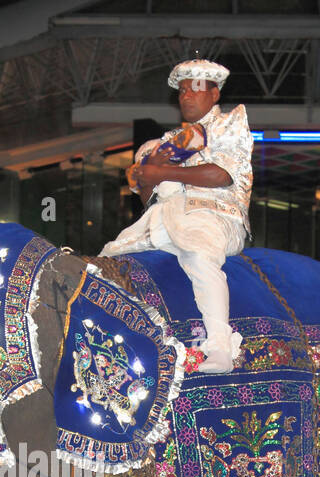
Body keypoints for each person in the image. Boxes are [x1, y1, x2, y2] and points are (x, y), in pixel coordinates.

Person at [100, 58, 252, 374]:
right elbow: (146, 196)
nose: (186, 96)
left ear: (214, 94)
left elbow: (221, 175)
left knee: (198, 255)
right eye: (182, 91)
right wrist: (146, 176)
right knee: (107, 259)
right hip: (163, 219)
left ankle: (220, 349)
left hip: (215, 216)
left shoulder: (229, 125)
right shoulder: (167, 142)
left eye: (195, 89)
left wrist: (161, 170)